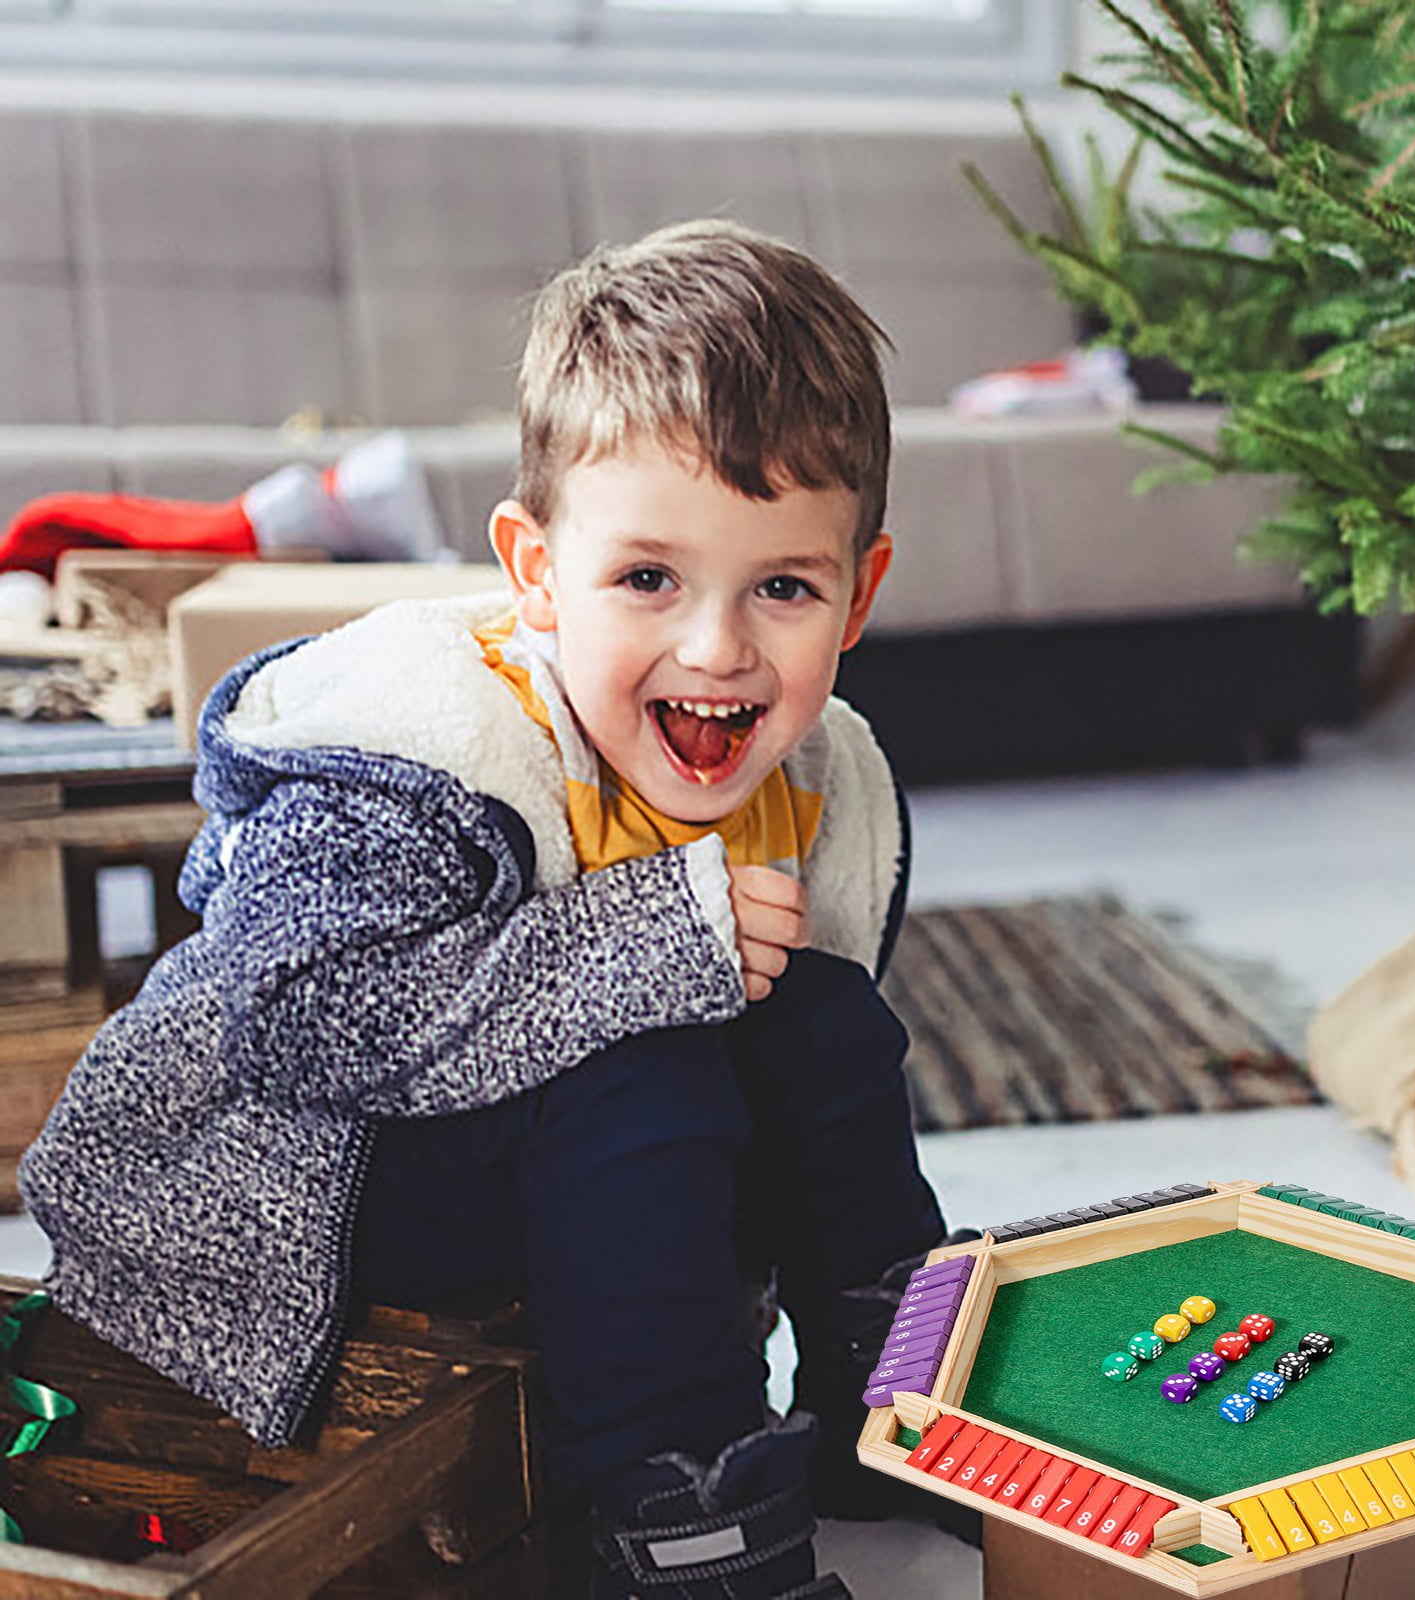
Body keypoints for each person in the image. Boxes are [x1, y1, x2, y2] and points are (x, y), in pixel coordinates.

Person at [21, 220, 954, 1598]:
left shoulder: (827, 777)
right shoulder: (422, 745)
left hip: (555, 1168)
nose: (717, 649)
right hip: (305, 1179)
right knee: (637, 1055)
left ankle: (887, 1401)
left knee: (824, 1020)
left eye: (783, 588)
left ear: (857, 593)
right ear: (535, 572)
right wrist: (655, 944)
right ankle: (676, 1507)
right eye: (648, 579)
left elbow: (795, 1091)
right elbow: (304, 1023)